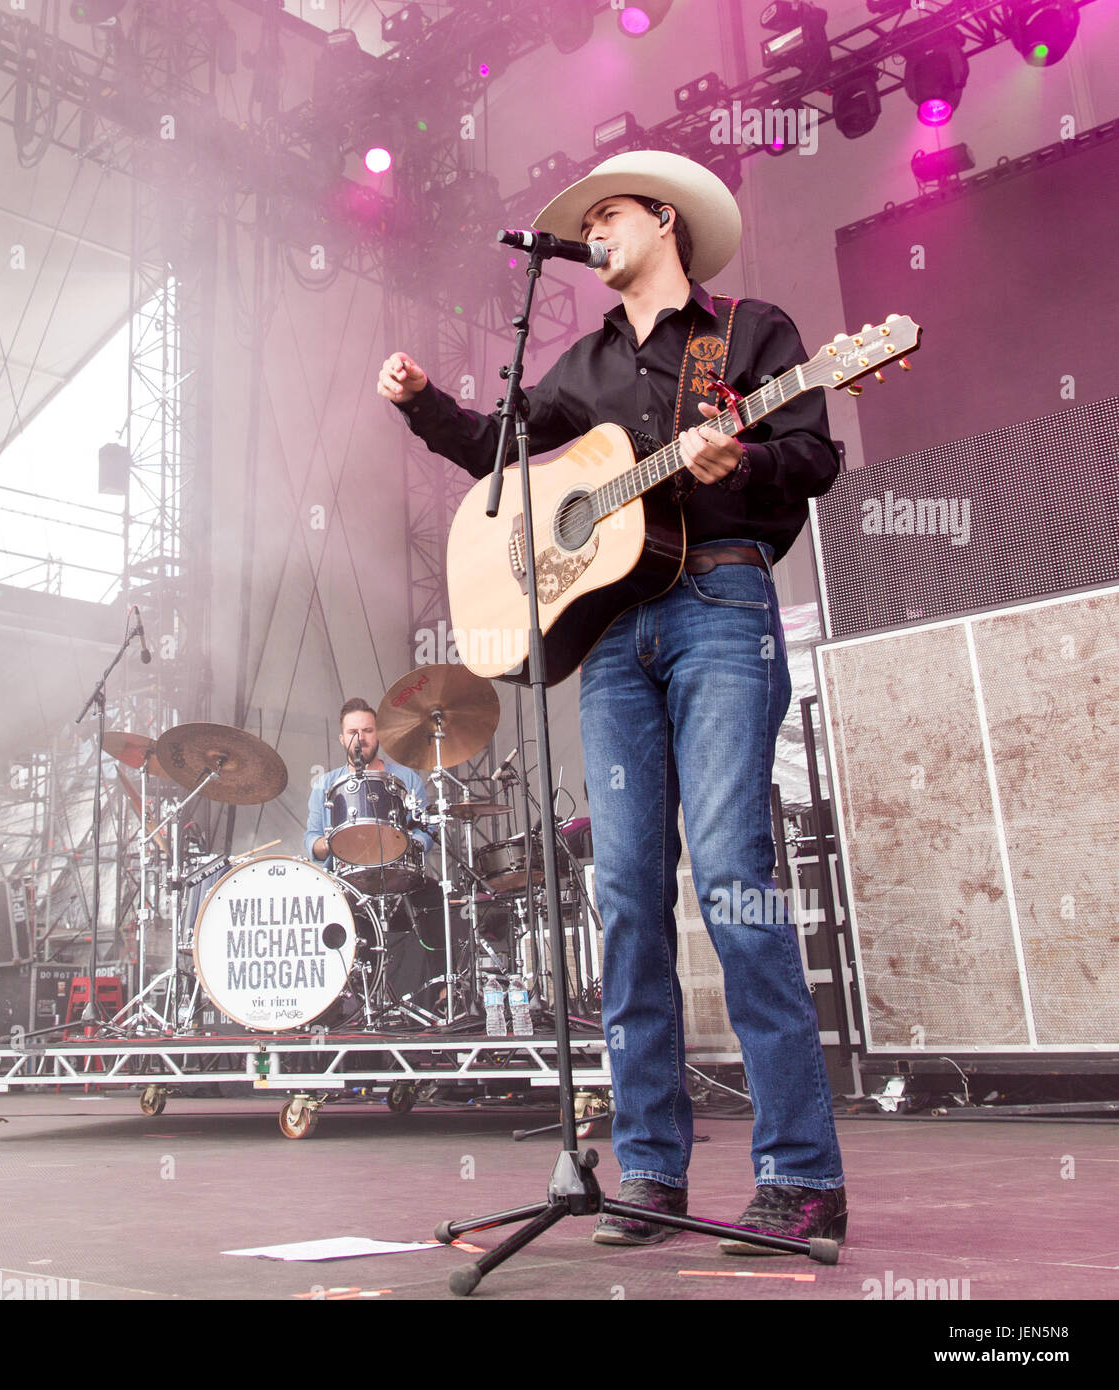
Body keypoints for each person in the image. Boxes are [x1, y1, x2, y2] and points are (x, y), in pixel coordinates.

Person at [376, 150, 846, 1254]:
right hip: (609, 634)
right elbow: (504, 468)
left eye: (611, 212)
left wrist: (739, 466)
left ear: (664, 223)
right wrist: (425, 406)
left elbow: (812, 453)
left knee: (731, 872)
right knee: (627, 894)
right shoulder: (578, 365)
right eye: (583, 218)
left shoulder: (751, 334)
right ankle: (648, 1166)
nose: (592, 228)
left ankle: (800, 1172)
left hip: (718, 603)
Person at [304, 697, 432, 870]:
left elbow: (427, 828)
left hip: (398, 874)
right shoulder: (324, 784)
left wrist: (408, 844)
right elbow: (312, 838)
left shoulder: (408, 778)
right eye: (352, 732)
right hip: (343, 882)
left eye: (367, 730)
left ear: (378, 734)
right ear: (342, 739)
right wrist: (332, 842)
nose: (360, 737)